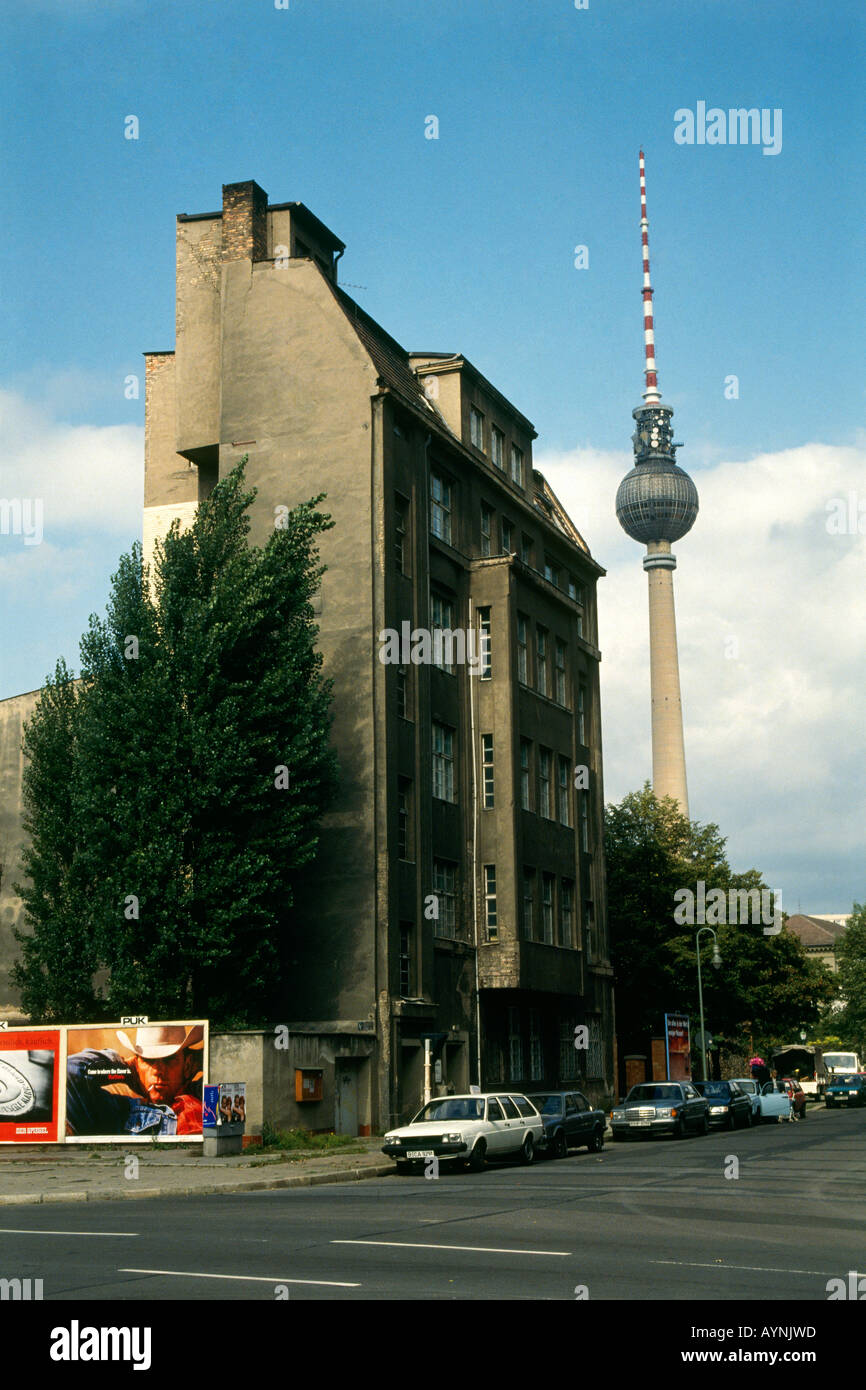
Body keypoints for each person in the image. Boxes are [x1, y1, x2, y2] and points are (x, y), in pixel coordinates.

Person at [66, 1025, 204, 1137]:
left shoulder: (203, 1094)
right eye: (148, 1061)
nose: (157, 1070)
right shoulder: (121, 1111)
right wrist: (123, 1068)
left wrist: (202, 1060)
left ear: (187, 1065)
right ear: (136, 1066)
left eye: (169, 1060)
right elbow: (69, 1070)